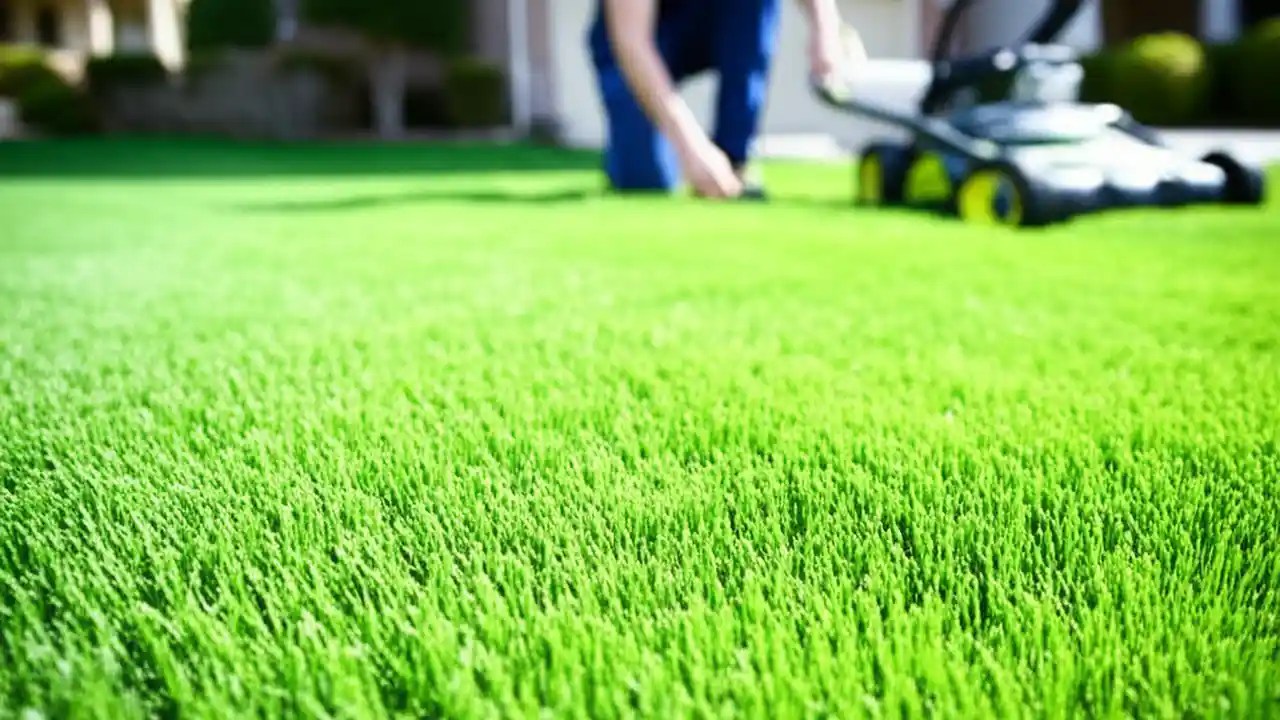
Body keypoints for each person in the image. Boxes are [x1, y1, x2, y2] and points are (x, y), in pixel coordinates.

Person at [588, 0, 857, 199]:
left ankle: (735, 160)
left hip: (721, 14)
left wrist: (827, 30)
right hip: (632, 44)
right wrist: (692, 149)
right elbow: (632, 41)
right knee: (644, 180)